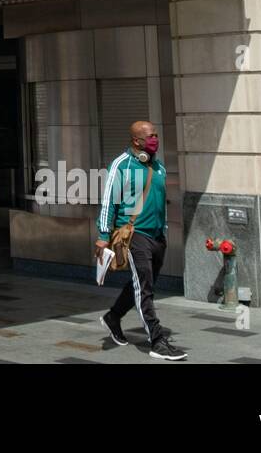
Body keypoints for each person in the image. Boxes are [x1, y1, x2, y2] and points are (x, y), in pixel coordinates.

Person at [96, 120, 186, 361]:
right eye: (151, 136)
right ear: (137, 140)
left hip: (157, 236)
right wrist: (103, 235)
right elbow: (109, 201)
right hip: (135, 235)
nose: (155, 139)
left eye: (156, 134)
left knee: (142, 284)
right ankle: (157, 341)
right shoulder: (121, 165)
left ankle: (113, 317)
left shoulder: (158, 166)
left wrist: (164, 229)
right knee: (143, 286)